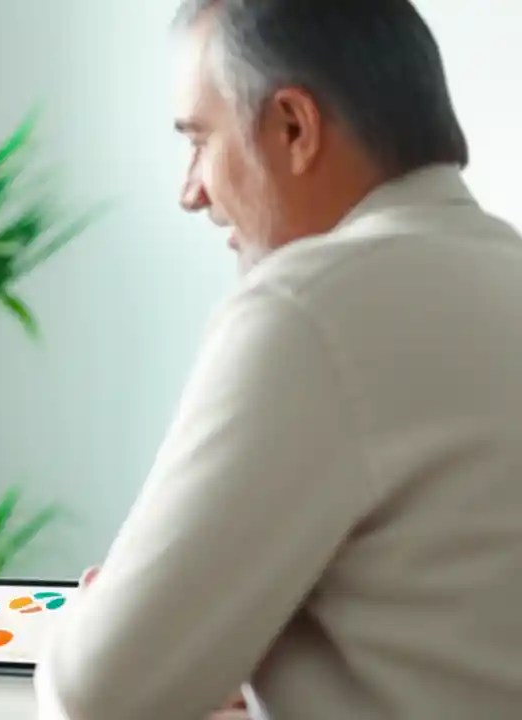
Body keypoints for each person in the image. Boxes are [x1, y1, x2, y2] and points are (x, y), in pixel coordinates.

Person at [35, 1, 522, 718]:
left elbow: (96, 698)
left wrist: (116, 615)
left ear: (294, 128)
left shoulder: (309, 308)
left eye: (199, 141)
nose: (190, 191)